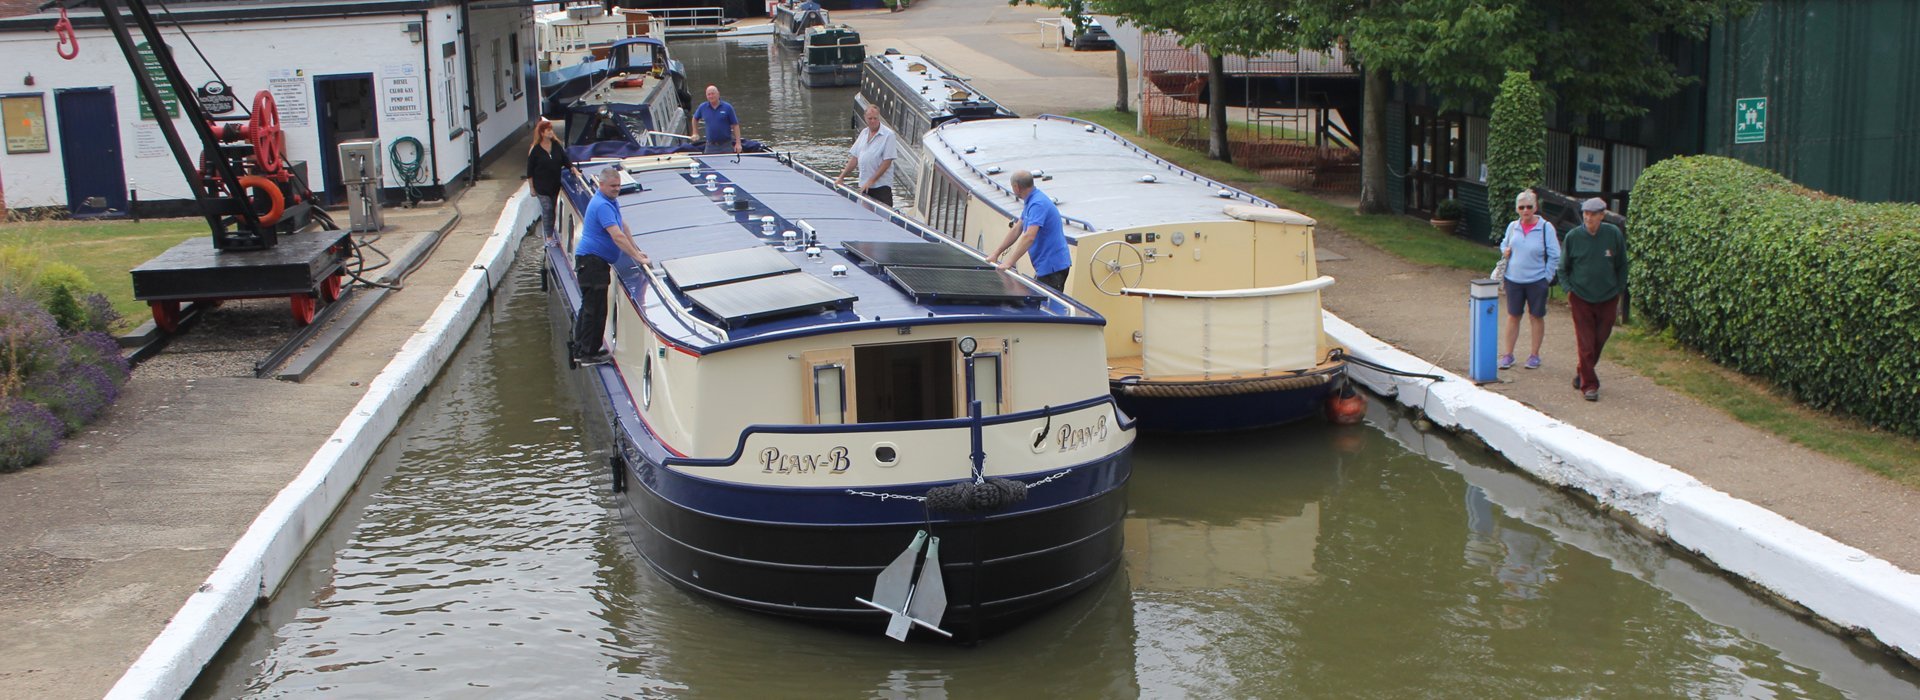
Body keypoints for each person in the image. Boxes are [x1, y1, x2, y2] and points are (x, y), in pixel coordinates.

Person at [574, 166, 652, 366]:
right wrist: (637, 258)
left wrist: (637, 251)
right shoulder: (602, 205)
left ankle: (581, 349)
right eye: (612, 186)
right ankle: (587, 354)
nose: (617, 189)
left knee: (591, 307)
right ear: (601, 185)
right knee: (595, 309)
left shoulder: (610, 201)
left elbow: (623, 227)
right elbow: (617, 235)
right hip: (592, 263)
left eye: (618, 185)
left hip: (593, 263)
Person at [1561, 197, 1629, 401]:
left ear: (1602, 215)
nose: (1588, 218)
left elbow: (1622, 264)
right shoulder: (1573, 237)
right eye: (1585, 213)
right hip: (1581, 296)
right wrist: (1569, 290)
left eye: (1592, 214)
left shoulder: (1613, 234)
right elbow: (1563, 268)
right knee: (1586, 342)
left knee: (1600, 338)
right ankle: (1589, 385)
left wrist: (1619, 289)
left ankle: (1582, 371)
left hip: (1608, 296)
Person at [1497, 190, 1560, 371]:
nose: (1525, 210)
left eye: (1529, 207)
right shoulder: (1512, 226)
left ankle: (1534, 355)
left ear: (1535, 207)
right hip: (1513, 279)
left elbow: (1555, 254)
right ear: (1517, 209)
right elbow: (1504, 243)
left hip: (1537, 280)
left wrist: (1546, 277)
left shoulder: (1546, 228)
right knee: (1513, 315)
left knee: (1536, 316)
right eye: (1521, 207)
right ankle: (1508, 354)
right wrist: (1505, 250)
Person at [987, 170, 1071, 292]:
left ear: (1016, 187)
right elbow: (1017, 229)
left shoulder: (1037, 204)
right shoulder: (1031, 201)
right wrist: (996, 253)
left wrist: (1009, 262)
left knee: (1046, 300)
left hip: (1052, 267)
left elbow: (1029, 237)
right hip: (1045, 265)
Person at [524, 119, 582, 239]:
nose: (551, 132)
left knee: (554, 209)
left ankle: (552, 231)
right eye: (548, 130)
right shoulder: (535, 150)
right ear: (542, 133)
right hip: (541, 186)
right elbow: (529, 171)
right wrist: (532, 188)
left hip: (554, 185)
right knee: (547, 208)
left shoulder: (556, 146)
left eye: (551, 130)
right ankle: (549, 236)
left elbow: (565, 160)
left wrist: (573, 169)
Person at [837, 104, 898, 207]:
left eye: (875, 118)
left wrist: (871, 181)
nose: (873, 121)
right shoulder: (864, 133)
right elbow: (855, 158)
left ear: (879, 117)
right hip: (864, 186)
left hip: (881, 187)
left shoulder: (889, 135)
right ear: (865, 118)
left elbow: (887, 162)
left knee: (882, 215)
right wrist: (841, 177)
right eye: (870, 118)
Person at [690, 85, 741, 155]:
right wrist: (695, 132)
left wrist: (738, 143)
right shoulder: (702, 107)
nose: (711, 96)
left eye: (713, 93)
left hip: (726, 145)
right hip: (710, 146)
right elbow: (695, 119)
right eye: (709, 94)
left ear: (718, 94)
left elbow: (735, 125)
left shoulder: (727, 107)